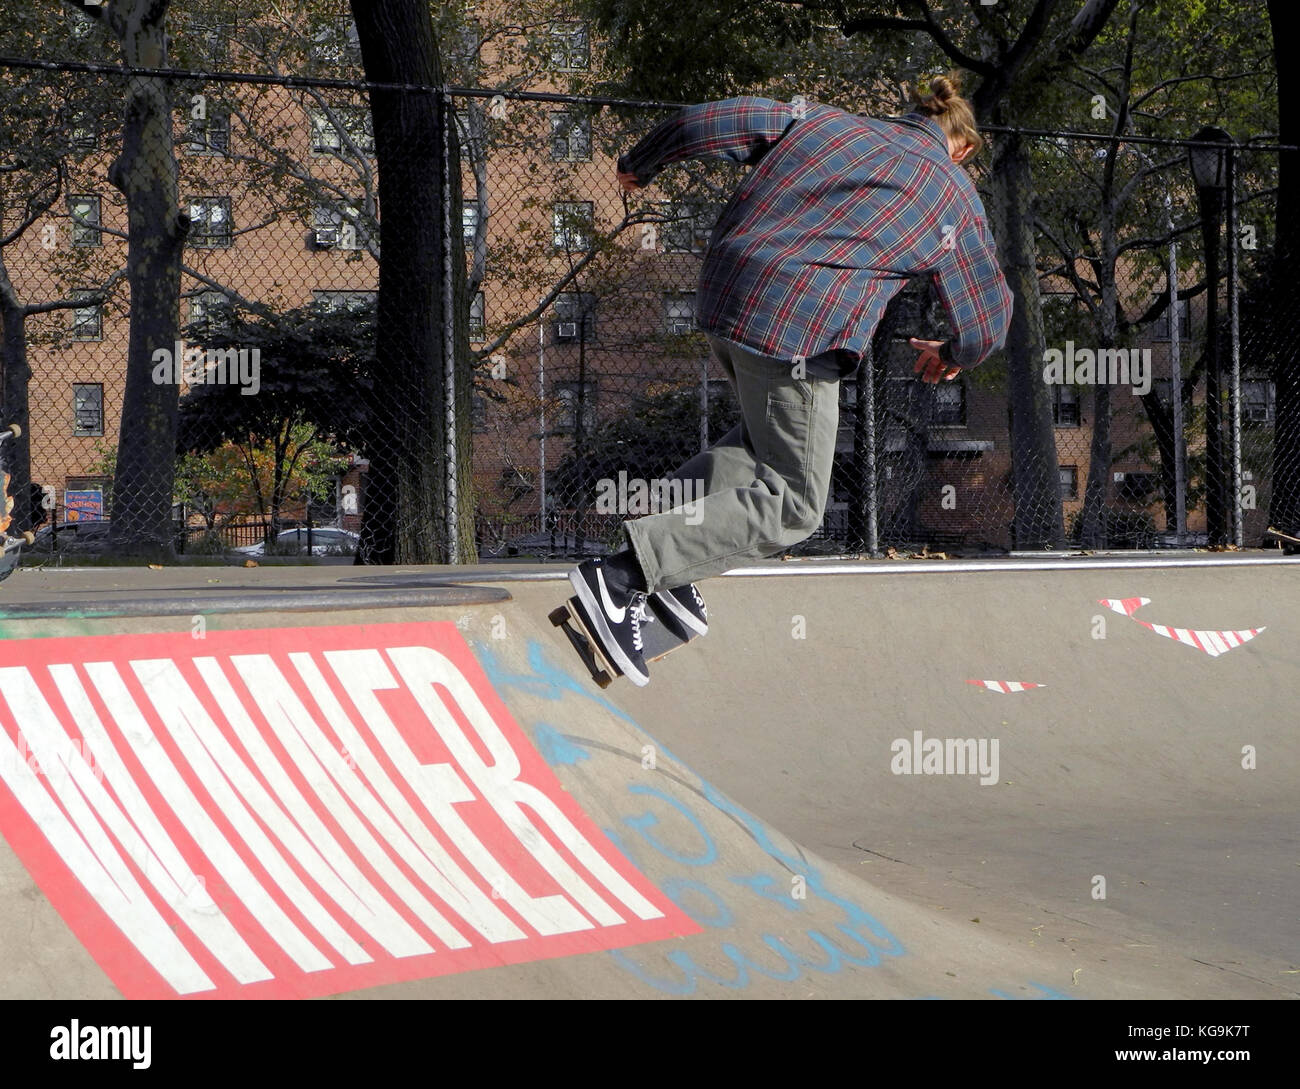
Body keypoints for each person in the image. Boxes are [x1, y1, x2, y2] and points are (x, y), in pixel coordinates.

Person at [567, 73, 1013, 685]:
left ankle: (672, 548)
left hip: (728, 294)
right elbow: (988, 313)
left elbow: (711, 119)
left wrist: (643, 162)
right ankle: (623, 577)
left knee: (757, 448)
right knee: (795, 503)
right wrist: (958, 350)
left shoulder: (825, 123)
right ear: (960, 147)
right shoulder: (953, 191)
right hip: (800, 327)